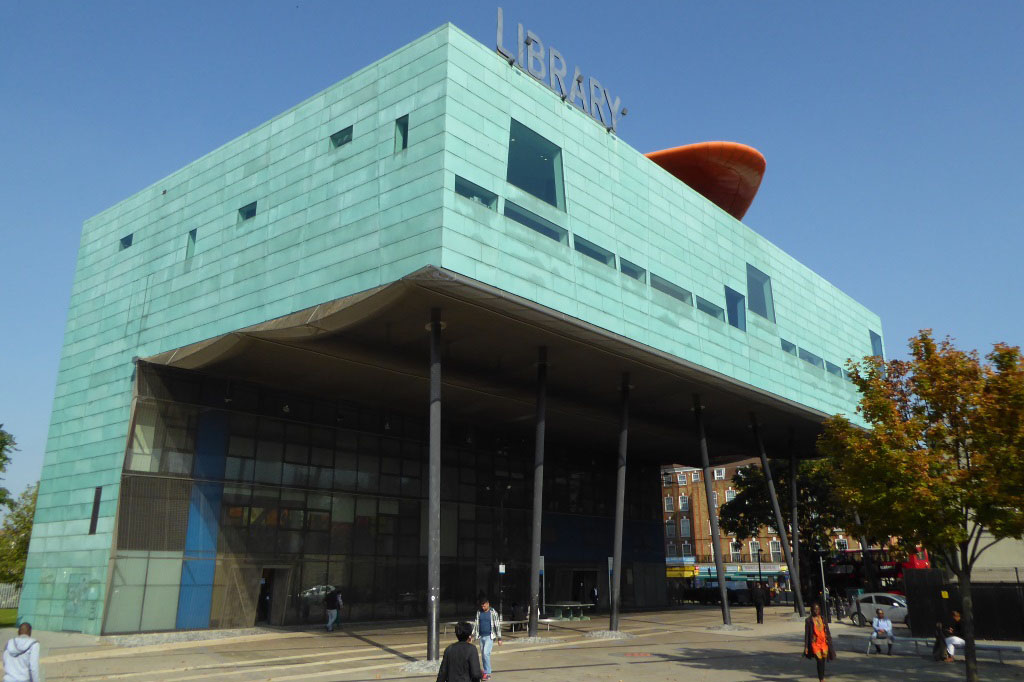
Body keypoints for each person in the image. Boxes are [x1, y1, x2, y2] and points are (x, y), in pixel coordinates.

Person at [471, 597, 502, 681]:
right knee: (483, 654)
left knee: (485, 653)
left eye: (484, 606)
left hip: (489, 636)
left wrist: (499, 638)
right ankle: (485, 671)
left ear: (488, 604)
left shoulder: (493, 613)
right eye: (482, 606)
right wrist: (472, 635)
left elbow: (497, 625)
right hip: (481, 636)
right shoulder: (479, 612)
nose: (483, 607)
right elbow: (476, 624)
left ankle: (487, 672)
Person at [803, 603, 835, 682]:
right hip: (815, 644)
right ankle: (821, 679)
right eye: (814, 609)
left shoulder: (823, 618)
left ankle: (822, 677)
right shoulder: (809, 620)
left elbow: (827, 631)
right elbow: (807, 634)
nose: (816, 611)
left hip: (824, 643)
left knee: (823, 661)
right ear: (811, 610)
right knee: (819, 660)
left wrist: (830, 641)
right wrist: (806, 646)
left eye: (818, 609)